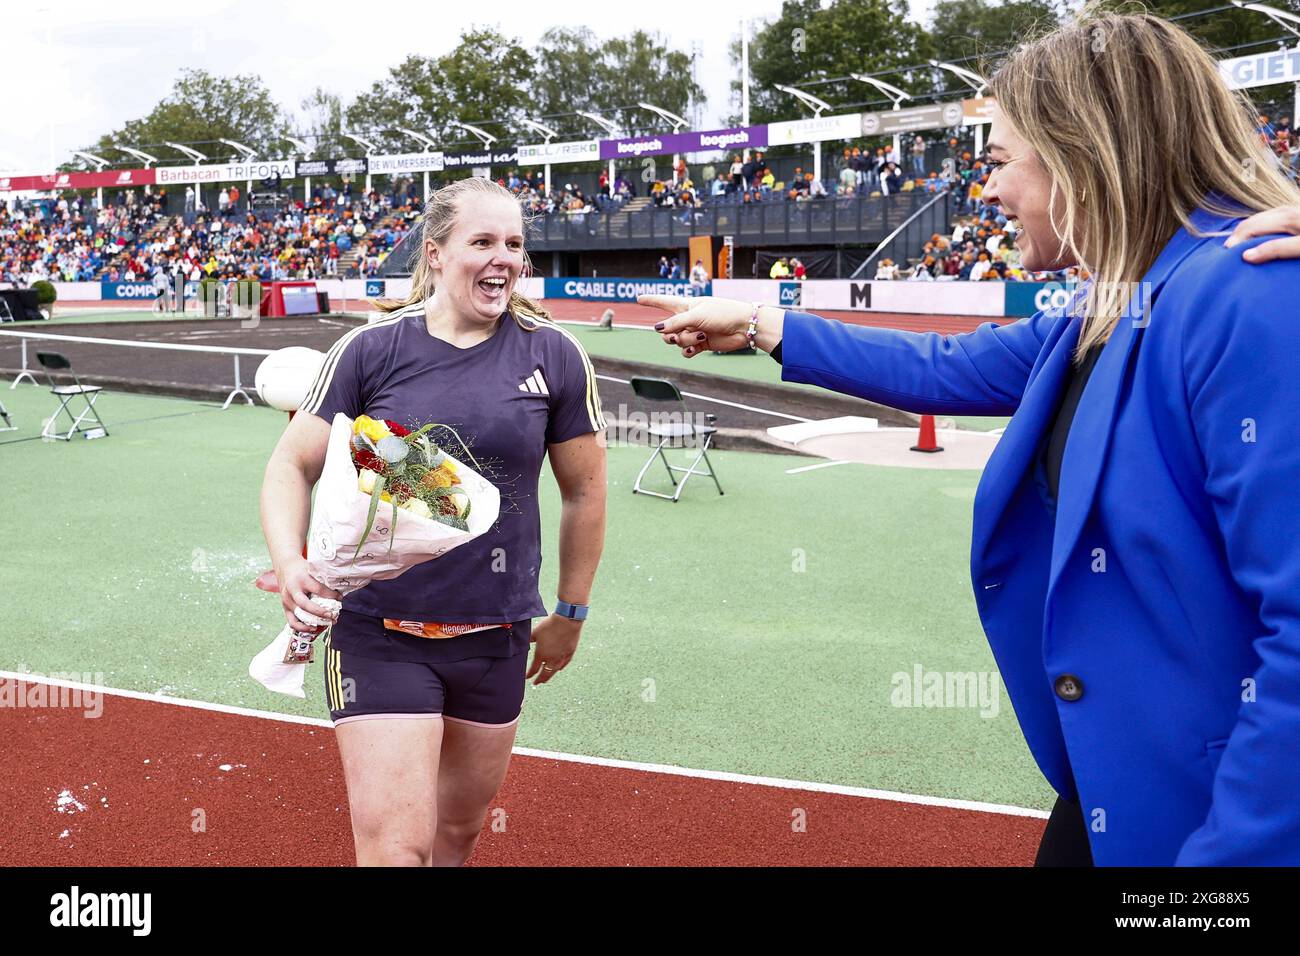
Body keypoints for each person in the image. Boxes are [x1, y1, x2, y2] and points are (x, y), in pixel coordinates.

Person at [640, 12, 1300, 866]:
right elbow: (949, 367)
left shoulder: (1250, 291)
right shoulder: (1120, 294)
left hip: (1211, 818)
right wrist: (767, 326)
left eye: (998, 163)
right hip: (1119, 793)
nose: (986, 193)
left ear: (1084, 151)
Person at [260, 176, 607, 867]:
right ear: (438, 253)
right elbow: (289, 466)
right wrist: (292, 560)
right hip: (379, 635)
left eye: (514, 243)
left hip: (495, 637)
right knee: (397, 852)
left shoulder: (554, 356)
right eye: (482, 241)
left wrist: (571, 611)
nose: (503, 257)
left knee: (456, 837)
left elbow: (584, 492)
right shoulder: (371, 350)